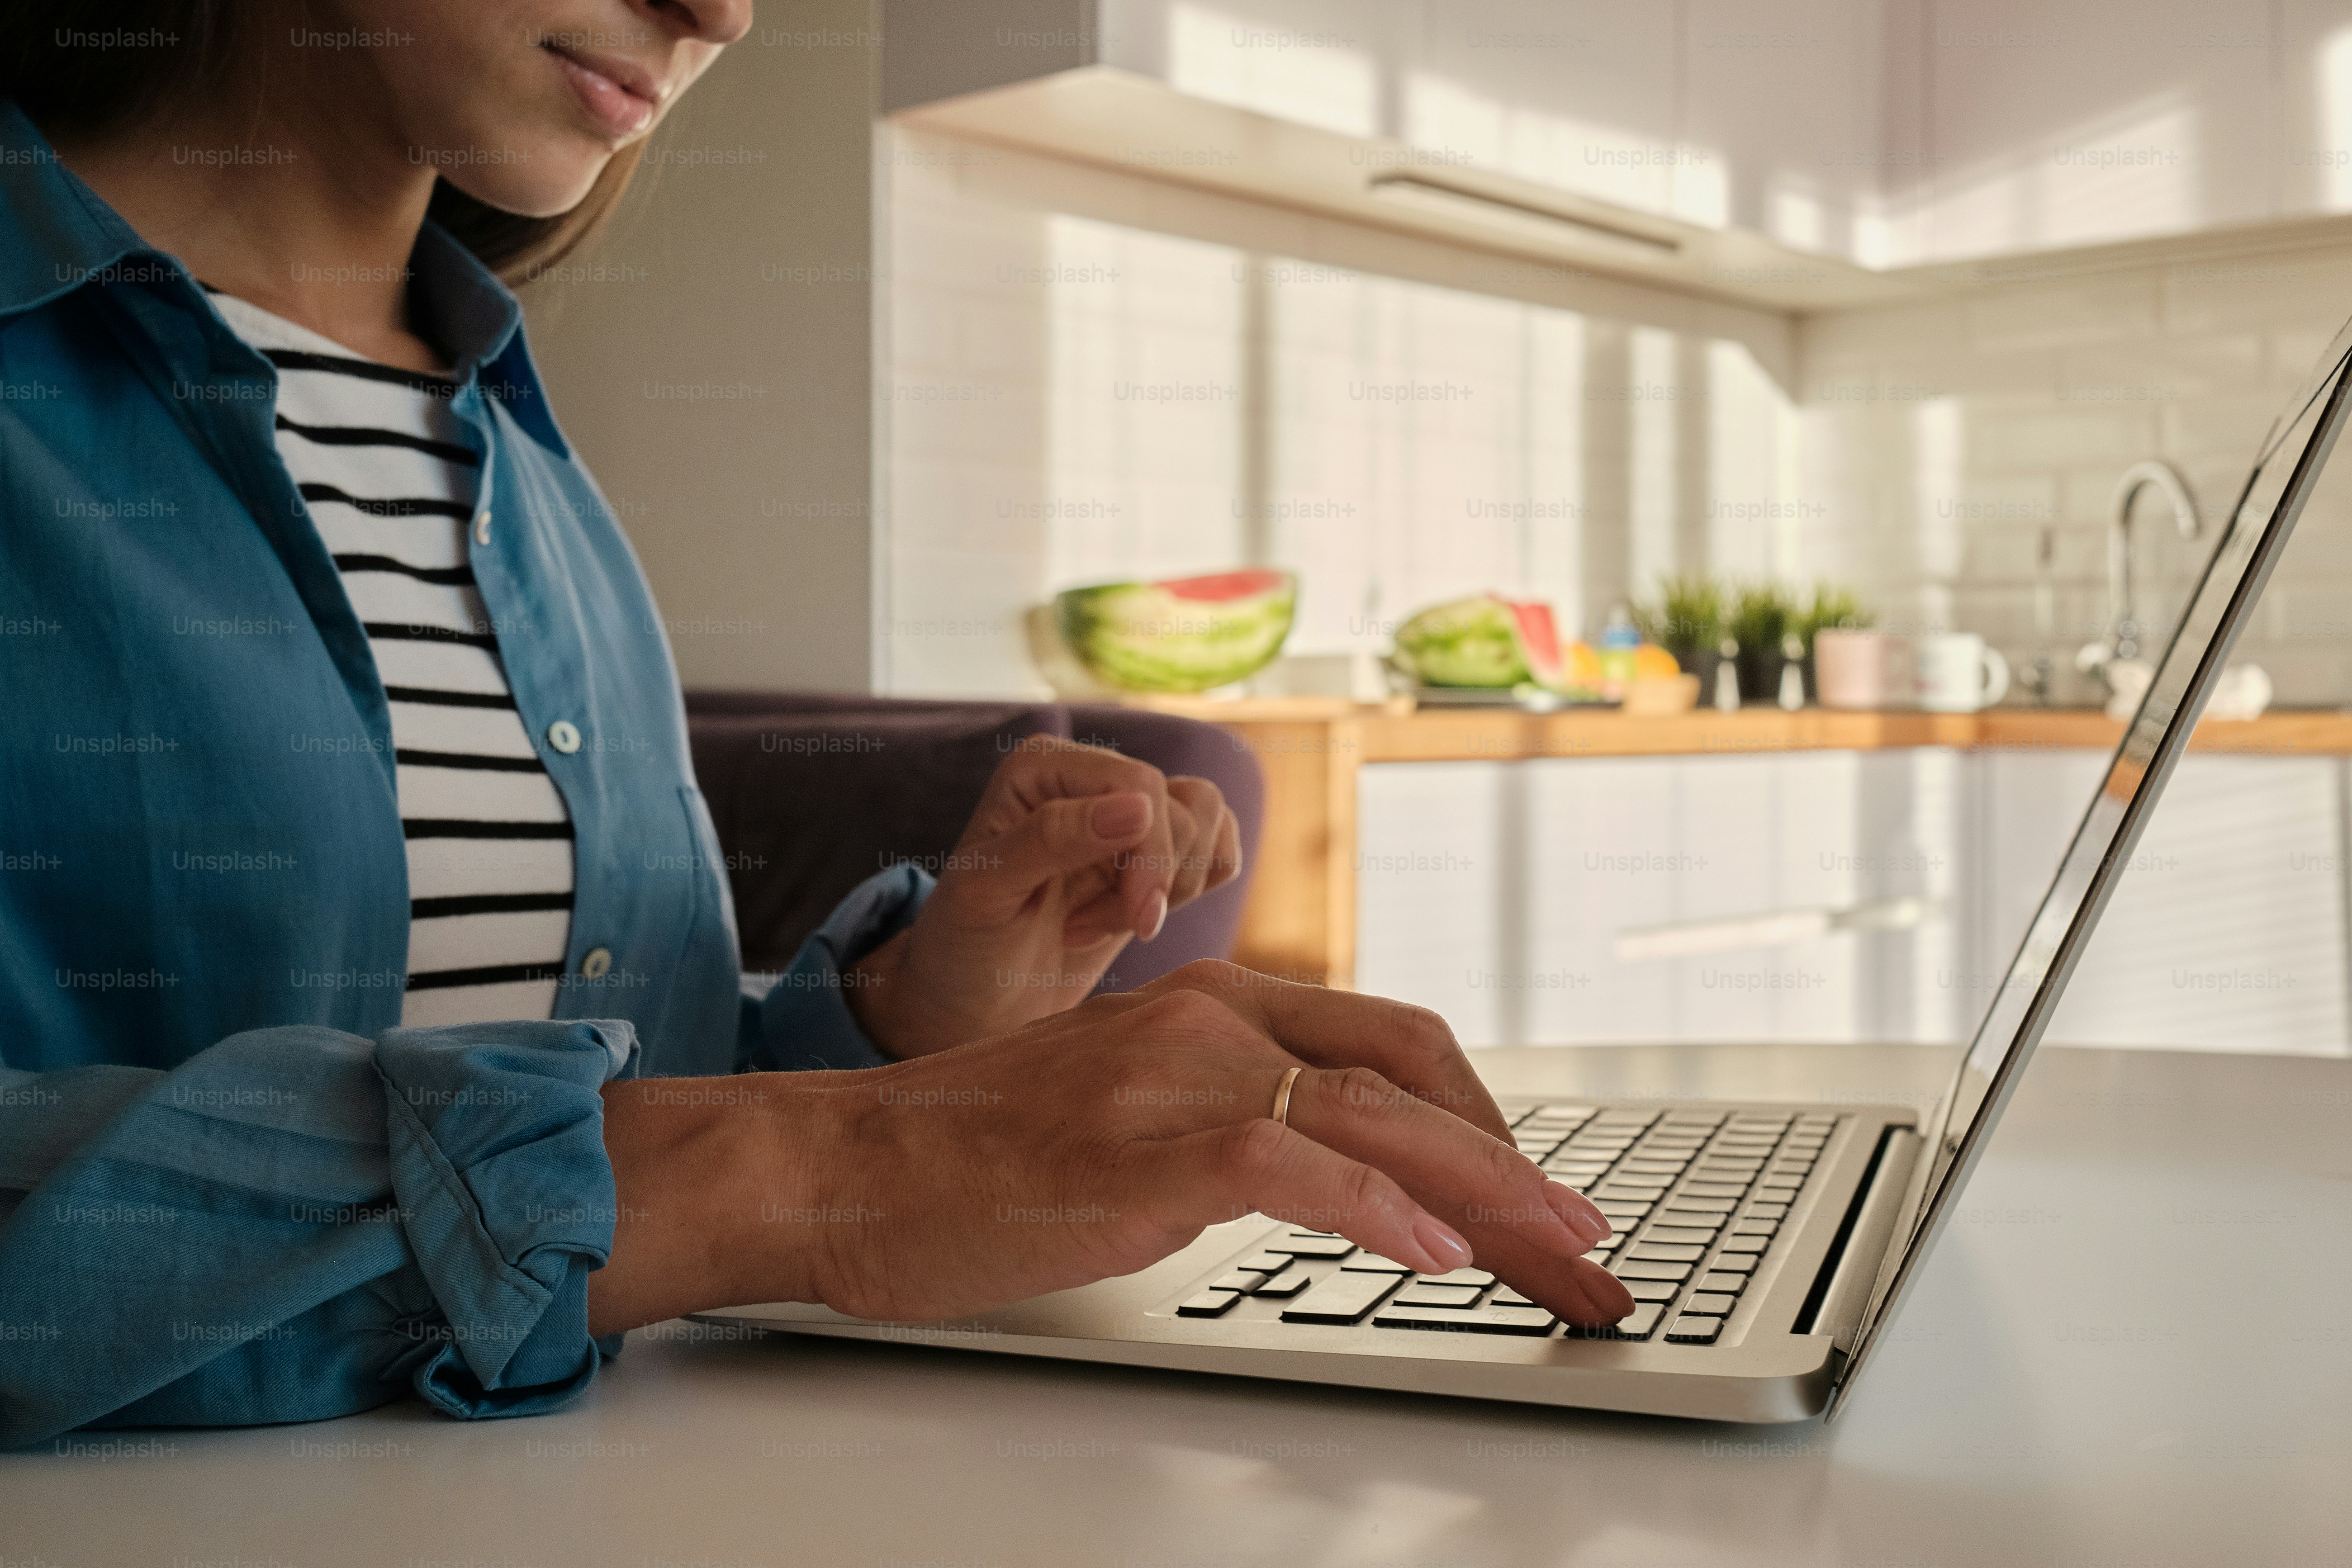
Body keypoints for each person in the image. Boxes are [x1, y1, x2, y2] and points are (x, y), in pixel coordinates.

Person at [0, 0, 1633, 1448]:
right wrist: (802, 1172)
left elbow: (625, 1117)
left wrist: (905, 1033)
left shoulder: (521, 459)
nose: (723, 11)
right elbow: (663, 1184)